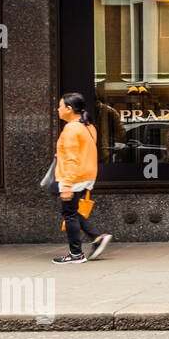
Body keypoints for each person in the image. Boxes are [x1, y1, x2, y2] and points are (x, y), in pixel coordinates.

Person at [52, 92, 113, 264]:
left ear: (69, 109)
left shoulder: (71, 128)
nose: (58, 109)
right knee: (73, 212)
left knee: (69, 214)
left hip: (73, 176)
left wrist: (67, 184)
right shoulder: (88, 126)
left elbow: (72, 158)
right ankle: (97, 237)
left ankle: (76, 253)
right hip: (86, 174)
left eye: (60, 106)